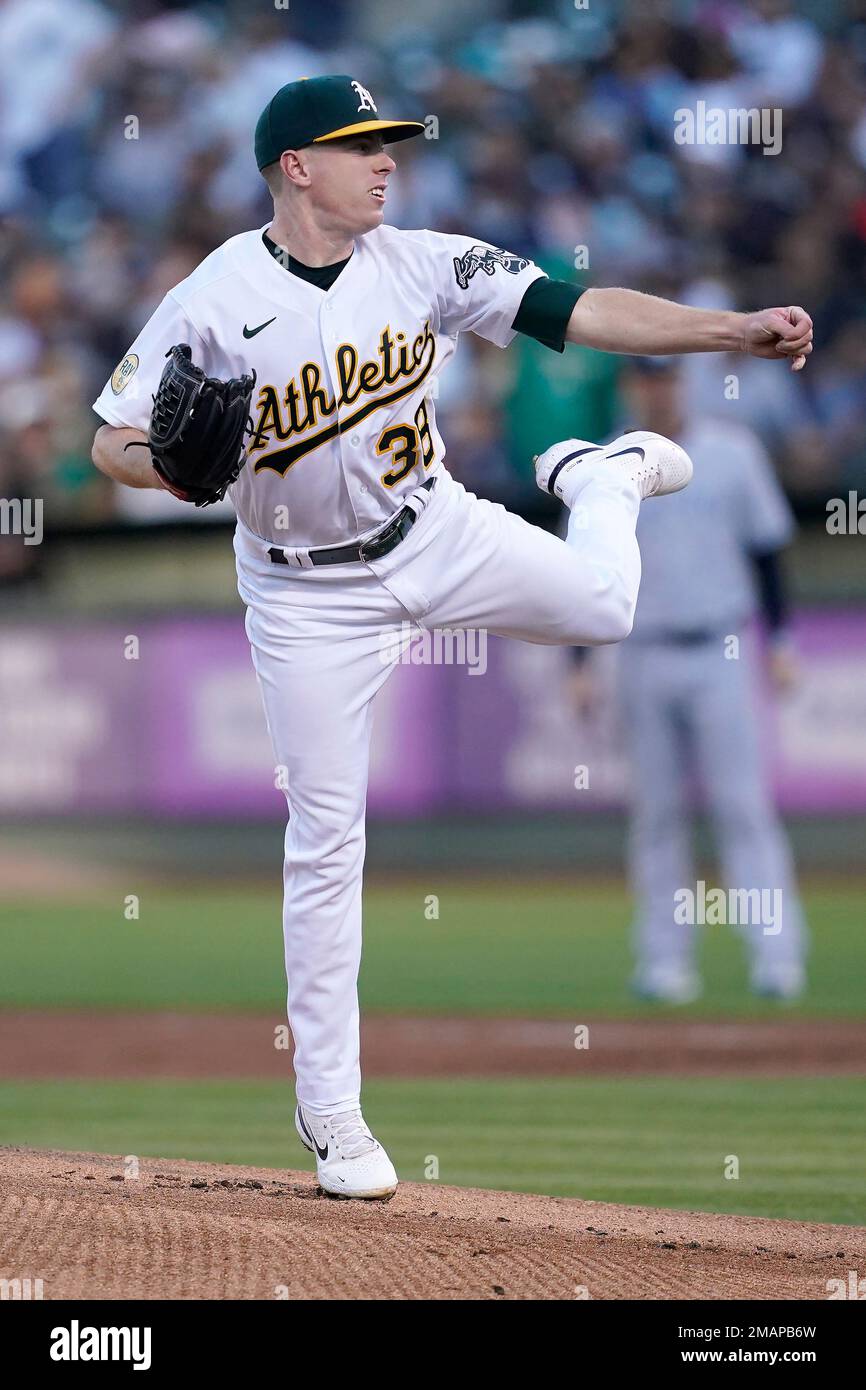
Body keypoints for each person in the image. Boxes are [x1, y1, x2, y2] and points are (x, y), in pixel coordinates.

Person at [90, 74, 813, 1200]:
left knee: (604, 605)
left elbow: (578, 309)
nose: (386, 162)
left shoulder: (423, 261)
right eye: (360, 146)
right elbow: (111, 442)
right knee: (326, 841)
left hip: (431, 527)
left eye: (389, 145)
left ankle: (603, 477)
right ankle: (332, 1114)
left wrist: (730, 329)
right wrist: (167, 470)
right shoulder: (213, 293)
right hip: (302, 595)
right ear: (295, 167)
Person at [569, 356, 808, 1003]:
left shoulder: (731, 452)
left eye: (667, 376)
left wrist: (779, 640)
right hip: (639, 649)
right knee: (657, 814)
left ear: (685, 382)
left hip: (720, 646)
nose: (657, 389)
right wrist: (580, 664)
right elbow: (577, 570)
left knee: (742, 805)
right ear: (629, 387)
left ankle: (777, 957)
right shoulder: (604, 463)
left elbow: (767, 550)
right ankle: (664, 962)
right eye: (645, 378)